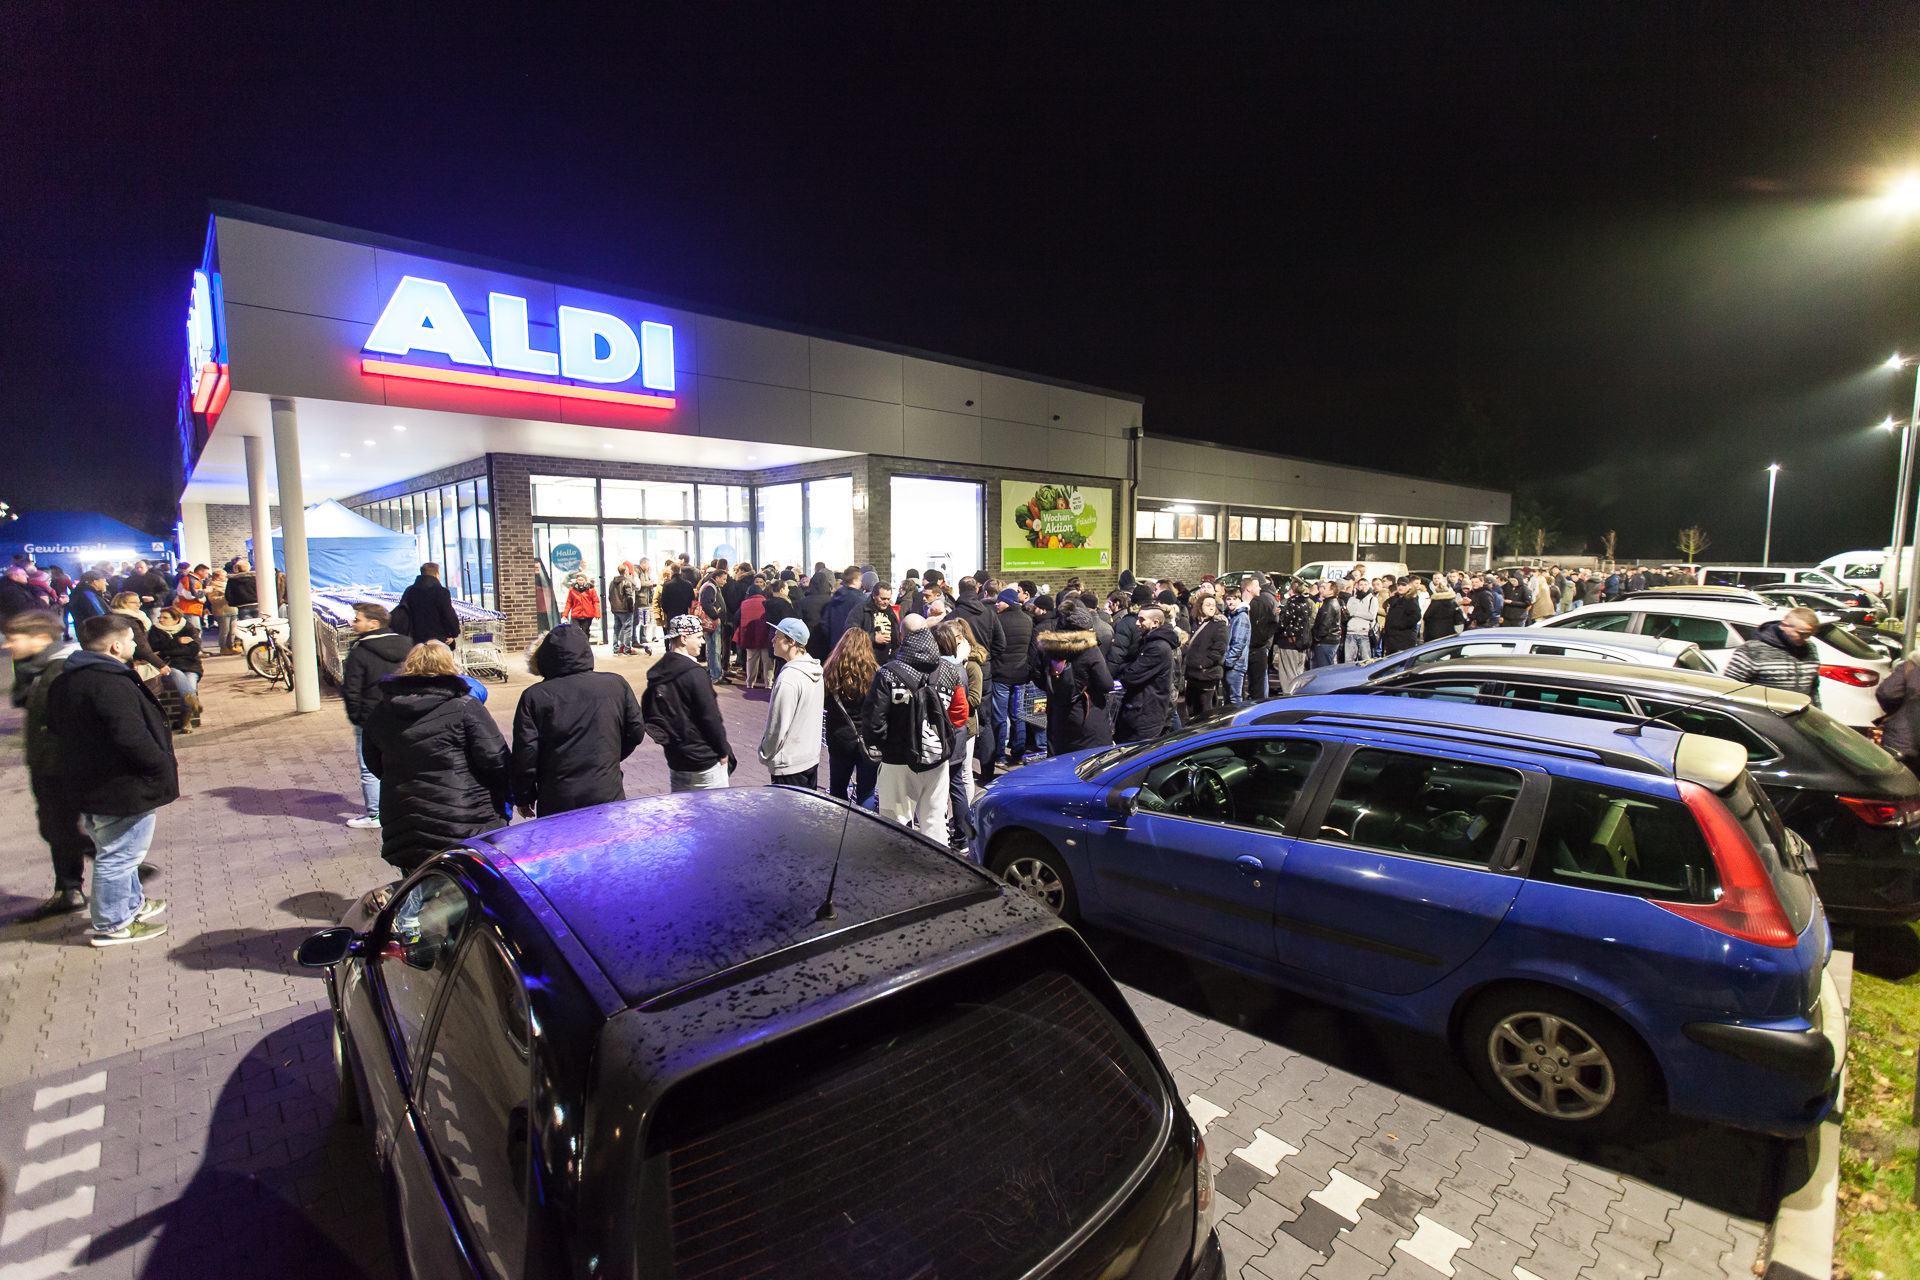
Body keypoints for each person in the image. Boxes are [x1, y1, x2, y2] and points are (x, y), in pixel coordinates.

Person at [45, 613, 177, 945]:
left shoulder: (67, 678)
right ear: (117, 646)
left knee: (115, 850)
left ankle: (132, 904)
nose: (136, 646)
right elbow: (132, 737)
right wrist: (159, 766)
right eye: (132, 640)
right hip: (122, 787)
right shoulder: (110, 683)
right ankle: (113, 923)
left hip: (91, 785)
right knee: (119, 856)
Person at [361, 641, 510, 873]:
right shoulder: (465, 707)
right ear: (449, 665)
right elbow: (496, 759)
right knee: (468, 888)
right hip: (463, 816)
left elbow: (373, 762)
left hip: (404, 816)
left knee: (417, 886)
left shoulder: (382, 711)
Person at [4, 611, 92, 921]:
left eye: (15, 638)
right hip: (44, 762)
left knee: (58, 826)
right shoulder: (34, 668)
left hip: (61, 765)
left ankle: (106, 871)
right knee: (54, 826)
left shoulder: (60, 670)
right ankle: (69, 888)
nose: (8, 645)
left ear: (41, 638)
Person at [512, 624, 646, 816]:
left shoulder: (534, 697)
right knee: (607, 844)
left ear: (545, 657)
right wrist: (609, 757)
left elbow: (525, 755)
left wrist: (524, 797)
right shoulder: (616, 684)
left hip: (558, 797)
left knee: (563, 846)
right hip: (606, 790)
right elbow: (636, 731)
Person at [863, 615, 963, 835]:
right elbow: (958, 712)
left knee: (895, 823)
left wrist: (885, 747)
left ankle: (899, 868)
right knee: (935, 821)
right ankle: (936, 867)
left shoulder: (888, 673)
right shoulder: (948, 671)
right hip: (937, 758)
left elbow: (873, 722)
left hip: (898, 760)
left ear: (901, 636)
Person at [642, 615, 736, 790]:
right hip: (703, 760)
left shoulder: (658, 673)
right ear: (684, 639)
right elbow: (710, 717)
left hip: (676, 759)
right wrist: (722, 750)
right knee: (713, 814)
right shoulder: (694, 674)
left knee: (685, 814)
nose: (702, 642)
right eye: (699, 637)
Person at [340, 602, 411, 830]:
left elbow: (352, 689)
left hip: (371, 717)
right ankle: (404, 807)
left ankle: (375, 814)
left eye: (357, 619)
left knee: (369, 766)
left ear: (374, 623)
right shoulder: (408, 645)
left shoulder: (359, 652)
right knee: (402, 761)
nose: (353, 623)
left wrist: (356, 717)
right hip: (403, 713)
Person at [935, 617, 986, 847]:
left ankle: (962, 831)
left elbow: (970, 701)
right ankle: (961, 832)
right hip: (957, 731)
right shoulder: (957, 666)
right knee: (957, 780)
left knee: (962, 778)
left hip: (960, 730)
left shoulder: (968, 667)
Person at [1038, 603, 1114, 753]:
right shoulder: (1090, 649)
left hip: (1059, 716)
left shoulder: (1047, 648)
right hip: (1088, 716)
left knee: (1062, 765)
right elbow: (1106, 684)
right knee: (1090, 768)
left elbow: (1038, 677)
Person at [759, 617, 823, 788]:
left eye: (778, 637)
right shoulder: (815, 670)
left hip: (788, 765)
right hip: (809, 759)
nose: (772, 640)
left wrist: (765, 752)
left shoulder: (789, 678)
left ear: (791, 642)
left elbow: (777, 725)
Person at [823, 627, 882, 808]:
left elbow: (825, 704)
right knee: (867, 791)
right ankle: (865, 831)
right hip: (867, 739)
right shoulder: (875, 673)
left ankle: (839, 830)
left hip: (840, 738)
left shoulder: (831, 672)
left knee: (837, 789)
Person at [1723, 607, 1822, 703]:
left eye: (1810, 635)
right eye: (1802, 634)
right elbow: (1729, 688)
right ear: (1784, 626)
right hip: (1764, 716)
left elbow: (1813, 689)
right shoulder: (1752, 650)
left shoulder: (1811, 648)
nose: (1807, 639)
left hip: (1799, 715)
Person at [1114, 606, 1178, 741]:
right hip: (1142, 712)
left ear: (1155, 623)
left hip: (1145, 716)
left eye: (1141, 620)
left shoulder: (1158, 647)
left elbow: (1130, 677)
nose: (1137, 623)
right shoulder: (1150, 642)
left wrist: (1124, 669)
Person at [148, 607, 204, 731]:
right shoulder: (155, 630)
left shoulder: (188, 628)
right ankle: (187, 720)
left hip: (191, 665)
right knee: (178, 676)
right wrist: (177, 642)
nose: (161, 620)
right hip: (169, 665)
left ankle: (186, 718)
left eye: (165, 618)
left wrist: (166, 649)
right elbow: (153, 647)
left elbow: (194, 648)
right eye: (160, 617)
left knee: (190, 685)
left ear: (176, 619)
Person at [1183, 594, 1229, 718]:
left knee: (1205, 708)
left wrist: (1204, 664)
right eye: (1208, 605)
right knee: (1192, 706)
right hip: (1193, 674)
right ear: (1200, 607)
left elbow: (1219, 649)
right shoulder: (1195, 623)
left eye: (1213, 605)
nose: (1211, 608)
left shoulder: (1219, 625)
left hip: (1206, 673)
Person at [399, 562, 462, 645]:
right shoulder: (441, 592)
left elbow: (403, 613)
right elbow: (449, 616)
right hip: (437, 641)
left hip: (415, 641)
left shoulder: (409, 591)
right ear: (436, 575)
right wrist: (454, 633)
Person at [1274, 581, 1313, 689]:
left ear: (1292, 591)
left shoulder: (1291, 603)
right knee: (1299, 670)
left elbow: (1283, 623)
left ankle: (1289, 693)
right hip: (1303, 641)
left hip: (1289, 641)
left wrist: (1280, 615)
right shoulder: (1307, 603)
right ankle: (1299, 691)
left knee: (1288, 672)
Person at [1244, 577, 1278, 701]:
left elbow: (1273, 623)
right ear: (1248, 588)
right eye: (1257, 585)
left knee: (1257, 685)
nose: (1260, 588)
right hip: (1242, 651)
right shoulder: (1240, 606)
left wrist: (1261, 638)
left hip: (1258, 649)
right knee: (1237, 687)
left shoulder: (1263, 604)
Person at [737, 584, 774, 689]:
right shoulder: (767, 603)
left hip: (750, 635)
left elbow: (737, 617)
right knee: (768, 661)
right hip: (765, 635)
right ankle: (769, 682)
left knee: (752, 660)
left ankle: (750, 683)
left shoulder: (744, 603)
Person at [1222, 589, 1251, 704]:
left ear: (1240, 600)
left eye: (1234, 599)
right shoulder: (1232, 616)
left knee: (1234, 699)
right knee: (1228, 698)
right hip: (1232, 663)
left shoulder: (1241, 617)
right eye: (1228, 599)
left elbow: (1239, 643)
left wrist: (1228, 661)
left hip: (1236, 664)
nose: (1231, 602)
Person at [1382, 578, 1424, 654]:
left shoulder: (1410, 600)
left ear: (1408, 586)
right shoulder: (1395, 599)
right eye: (1398, 585)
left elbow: (1416, 616)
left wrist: (1400, 624)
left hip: (1404, 638)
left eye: (1403, 585)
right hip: (1392, 638)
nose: (1400, 587)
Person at [608, 562, 641, 655]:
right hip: (625, 609)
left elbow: (610, 596)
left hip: (616, 609)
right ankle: (627, 648)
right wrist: (631, 608)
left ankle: (615, 648)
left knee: (616, 629)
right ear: (625, 571)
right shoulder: (627, 582)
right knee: (627, 629)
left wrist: (613, 606)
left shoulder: (612, 582)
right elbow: (629, 597)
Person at [1343, 579, 1377, 664]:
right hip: (1351, 632)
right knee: (1349, 660)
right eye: (1361, 585)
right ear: (1357, 586)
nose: (1363, 587)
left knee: (1366, 659)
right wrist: (1362, 614)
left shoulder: (1372, 599)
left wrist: (1355, 613)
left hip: (1364, 632)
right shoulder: (1351, 599)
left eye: (1365, 585)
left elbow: (1371, 615)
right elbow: (1348, 613)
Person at [1310, 581, 1343, 669]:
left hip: (1326, 642)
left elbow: (1324, 625)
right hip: (1327, 641)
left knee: (1324, 668)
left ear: (1331, 592)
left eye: (1325, 588)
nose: (1322, 590)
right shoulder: (1329, 603)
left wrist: (1317, 639)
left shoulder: (1330, 605)